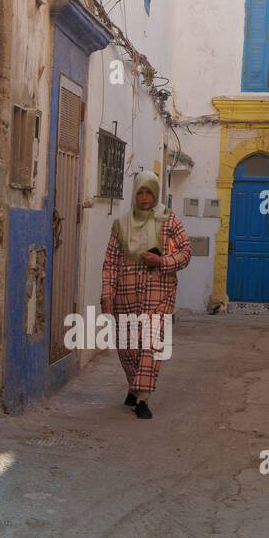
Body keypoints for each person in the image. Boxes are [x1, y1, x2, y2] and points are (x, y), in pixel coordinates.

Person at [99, 171, 191, 419]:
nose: (144, 197)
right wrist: (107, 294)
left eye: (149, 192)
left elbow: (186, 253)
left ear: (156, 194)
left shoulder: (170, 221)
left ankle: (142, 398)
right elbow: (110, 262)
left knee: (150, 343)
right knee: (127, 346)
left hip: (158, 293)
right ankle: (134, 384)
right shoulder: (121, 224)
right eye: (140, 192)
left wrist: (162, 261)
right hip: (126, 295)